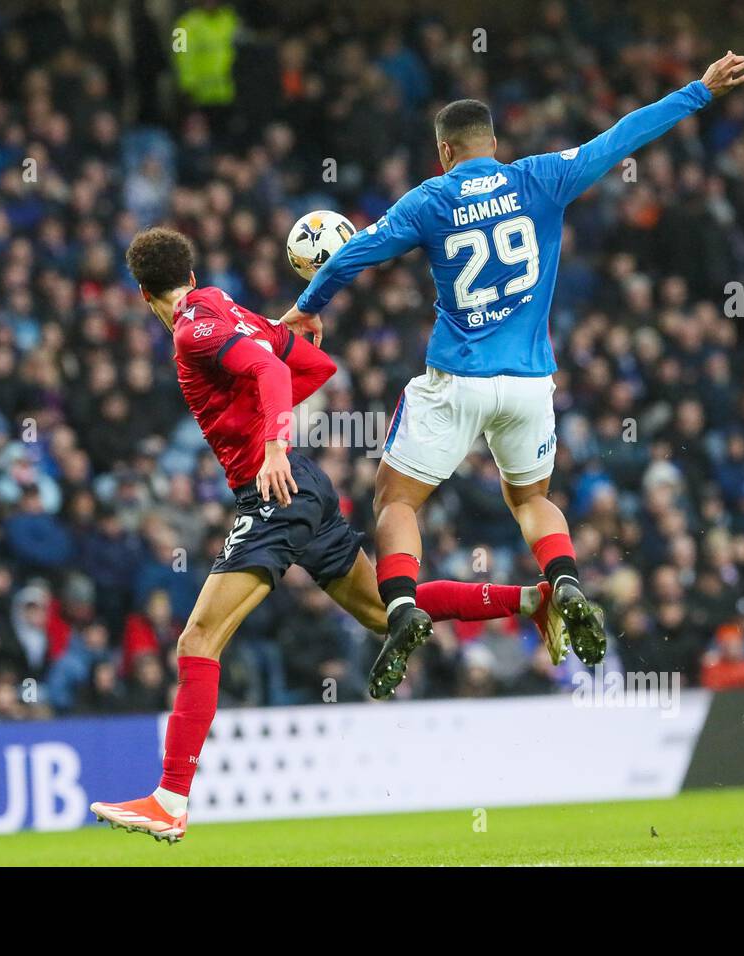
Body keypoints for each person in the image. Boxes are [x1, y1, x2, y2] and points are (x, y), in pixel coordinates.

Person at [280, 53, 744, 693]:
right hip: (531, 385)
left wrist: (306, 309)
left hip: (457, 380)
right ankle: (564, 582)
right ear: (494, 143)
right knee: (531, 498)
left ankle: (401, 606)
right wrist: (698, 91)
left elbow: (356, 252)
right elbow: (624, 136)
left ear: (445, 151)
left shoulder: (431, 200)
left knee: (396, 499)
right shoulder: (541, 178)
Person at [89, 227, 558, 842]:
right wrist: (267, 391)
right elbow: (313, 363)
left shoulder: (191, 328)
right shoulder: (224, 305)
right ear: (192, 275)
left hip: (276, 493)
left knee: (197, 639)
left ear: (144, 292)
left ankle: (171, 798)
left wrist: (272, 443)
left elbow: (272, 374)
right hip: (305, 489)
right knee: (382, 612)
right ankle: (533, 599)